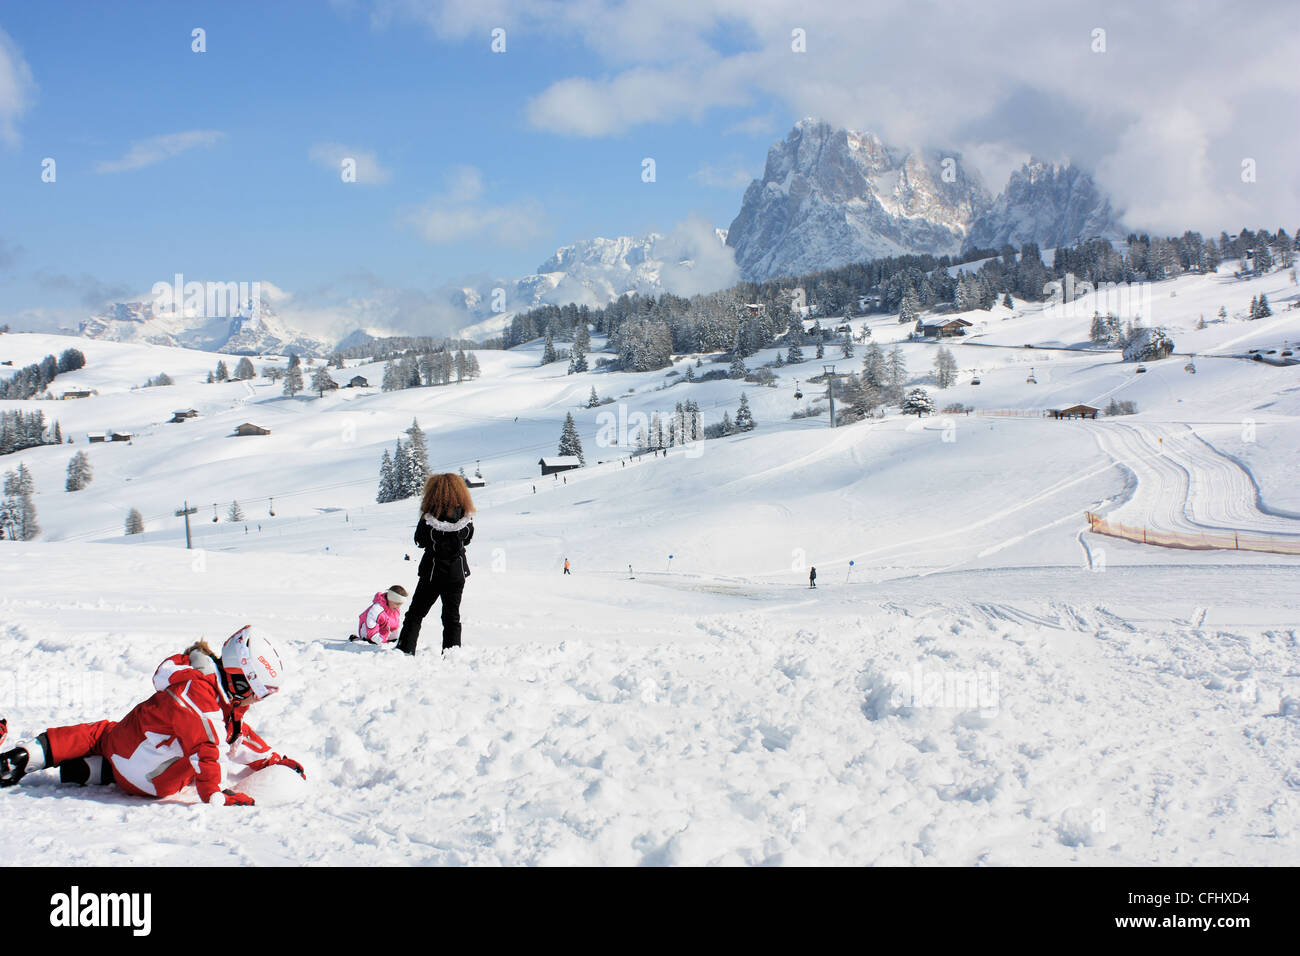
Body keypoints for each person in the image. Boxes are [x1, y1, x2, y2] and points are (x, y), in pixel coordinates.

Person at [0, 627, 303, 805]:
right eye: (257, 693)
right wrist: (218, 795)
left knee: (101, 732)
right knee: (189, 754)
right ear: (242, 679)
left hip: (123, 746)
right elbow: (210, 752)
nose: (256, 700)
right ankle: (91, 772)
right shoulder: (209, 710)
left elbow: (232, 734)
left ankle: (32, 753)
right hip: (151, 785)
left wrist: (272, 757)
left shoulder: (188, 679)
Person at [397, 473, 475, 656]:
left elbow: (420, 541)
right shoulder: (466, 518)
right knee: (451, 618)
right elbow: (468, 540)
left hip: (432, 573)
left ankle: (405, 650)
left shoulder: (429, 518)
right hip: (456, 574)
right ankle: (451, 654)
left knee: (415, 614)